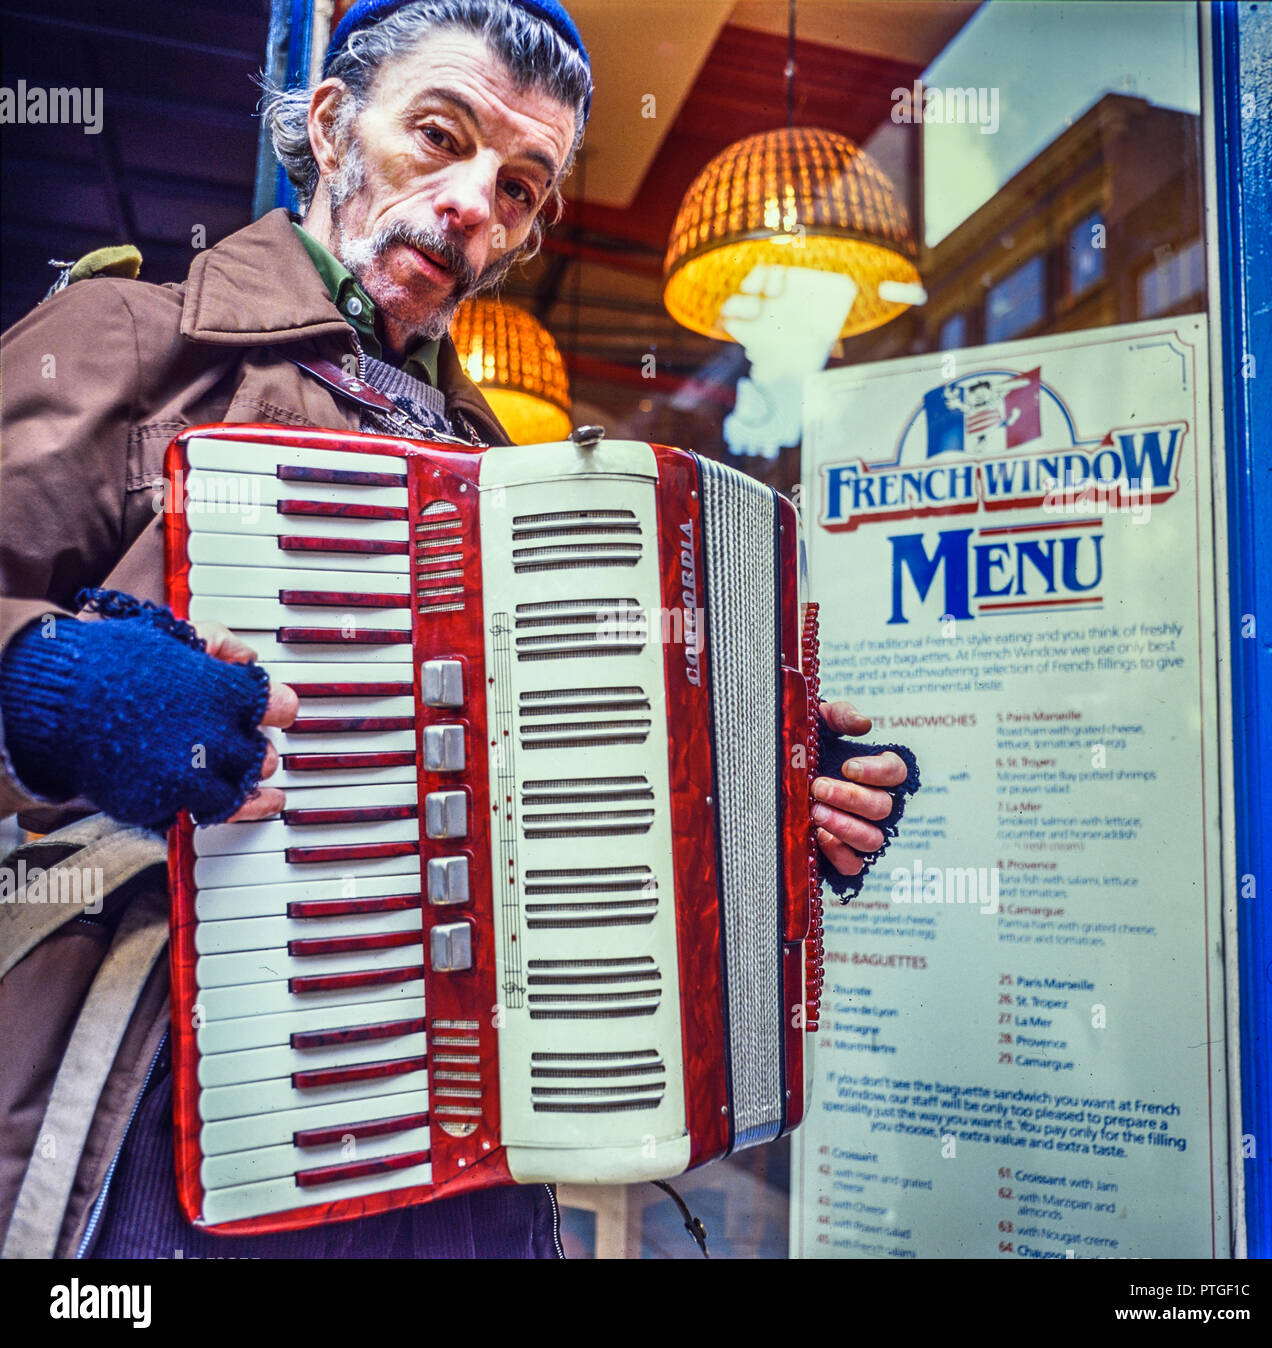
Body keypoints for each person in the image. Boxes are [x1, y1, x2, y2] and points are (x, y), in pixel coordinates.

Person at [0, 0, 912, 1258]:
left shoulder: (509, 483)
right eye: (439, 135)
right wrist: (44, 686)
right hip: (166, 1123)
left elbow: (588, 795)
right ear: (329, 126)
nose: (478, 205)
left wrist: (756, 816)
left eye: (524, 186)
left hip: (478, 1178)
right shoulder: (131, 342)